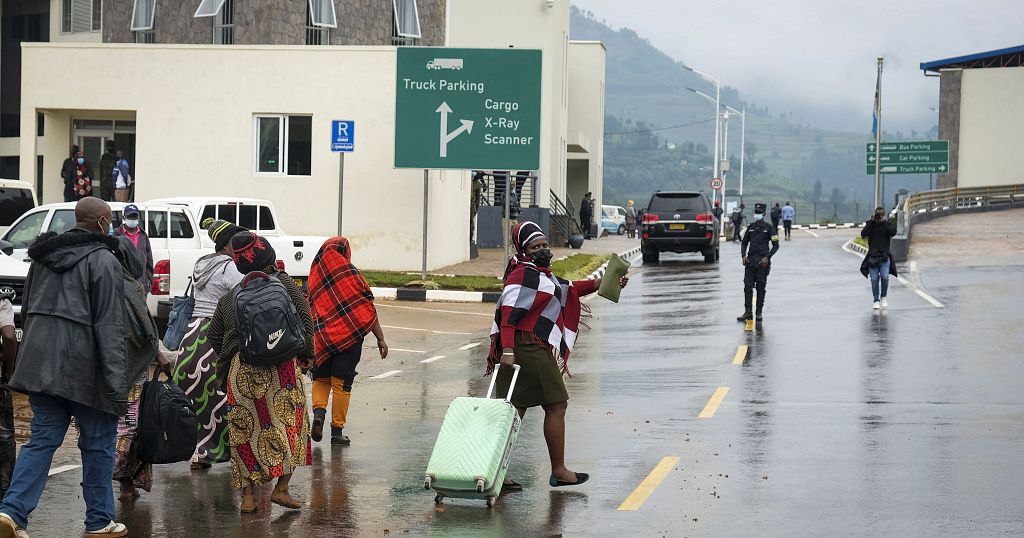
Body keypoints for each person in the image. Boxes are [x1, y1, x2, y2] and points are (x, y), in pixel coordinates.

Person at [0, 197, 129, 537]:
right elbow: (110, 327)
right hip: (84, 371)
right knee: (99, 443)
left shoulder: (42, 259)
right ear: (102, 222)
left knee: (42, 439)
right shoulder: (104, 260)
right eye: (111, 220)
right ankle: (100, 521)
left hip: (40, 364)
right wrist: (117, 385)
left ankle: (11, 513)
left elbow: (27, 311)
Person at [488, 222, 628, 489]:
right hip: (526, 348)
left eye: (544, 245)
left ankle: (494, 472)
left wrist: (606, 282)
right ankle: (559, 470)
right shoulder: (522, 275)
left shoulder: (540, 274)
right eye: (535, 246)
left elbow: (569, 289)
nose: (542, 250)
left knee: (513, 412)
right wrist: (507, 351)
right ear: (523, 249)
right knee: (556, 405)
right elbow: (508, 316)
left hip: (527, 348)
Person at [208, 232, 313, 513]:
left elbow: (214, 335)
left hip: (243, 371)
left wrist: (230, 359)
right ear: (269, 256)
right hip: (283, 372)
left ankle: (248, 499)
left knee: (244, 434)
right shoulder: (286, 285)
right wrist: (307, 355)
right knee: (293, 427)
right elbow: (306, 320)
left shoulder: (231, 297)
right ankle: (281, 488)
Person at [175, 219, 247, 471]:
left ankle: (200, 452)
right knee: (222, 396)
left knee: (197, 397)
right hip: (216, 335)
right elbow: (243, 295)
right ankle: (226, 452)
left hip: (192, 335)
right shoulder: (230, 268)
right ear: (227, 245)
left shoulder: (201, 263)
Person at [308, 237, 388, 446]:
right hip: (349, 338)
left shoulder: (315, 275)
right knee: (342, 384)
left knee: (321, 379)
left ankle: (318, 414)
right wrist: (380, 338)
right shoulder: (351, 274)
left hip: (322, 339)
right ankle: (336, 432)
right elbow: (365, 307)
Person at [111, 237, 171, 502]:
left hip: (99, 369)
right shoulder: (131, 287)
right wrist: (158, 355)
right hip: (131, 370)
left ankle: (122, 483)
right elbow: (146, 331)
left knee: (107, 427)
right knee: (131, 428)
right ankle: (112, 476)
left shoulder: (93, 284)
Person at [737, 203, 780, 323]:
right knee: (747, 287)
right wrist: (743, 255)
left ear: (764, 213)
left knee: (760, 287)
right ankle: (748, 312)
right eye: (756, 212)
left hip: (763, 263)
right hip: (750, 263)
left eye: (759, 212)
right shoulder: (750, 228)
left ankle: (759, 312)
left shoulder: (769, 228)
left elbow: (776, 245)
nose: (757, 214)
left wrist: (768, 257)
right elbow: (744, 243)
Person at [860, 207, 897, 310]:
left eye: (881, 215)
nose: (879, 216)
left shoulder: (887, 224)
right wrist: (872, 222)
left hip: (884, 257)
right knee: (874, 279)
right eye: (878, 214)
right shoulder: (871, 225)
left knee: (885, 277)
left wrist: (884, 222)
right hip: (872, 257)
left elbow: (893, 232)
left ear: (884, 215)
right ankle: (876, 300)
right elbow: (863, 234)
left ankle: (883, 296)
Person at [0, 289, 17, 502]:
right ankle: (5, 498)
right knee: (4, 437)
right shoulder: (2, 301)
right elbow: (9, 336)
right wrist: (8, 370)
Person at [113, 205, 153, 293]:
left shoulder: (143, 235)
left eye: (134, 216)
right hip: (122, 283)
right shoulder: (117, 234)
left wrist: (148, 280)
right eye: (129, 217)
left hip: (140, 284)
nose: (132, 219)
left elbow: (149, 259)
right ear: (124, 217)